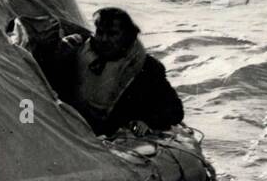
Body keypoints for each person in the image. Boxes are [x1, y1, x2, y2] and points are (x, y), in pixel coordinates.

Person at [54, 7, 184, 136]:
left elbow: (175, 110)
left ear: (126, 36)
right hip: (73, 124)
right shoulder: (78, 51)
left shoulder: (147, 68)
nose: (104, 39)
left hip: (111, 133)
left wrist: (147, 122)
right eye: (100, 32)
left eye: (112, 34)